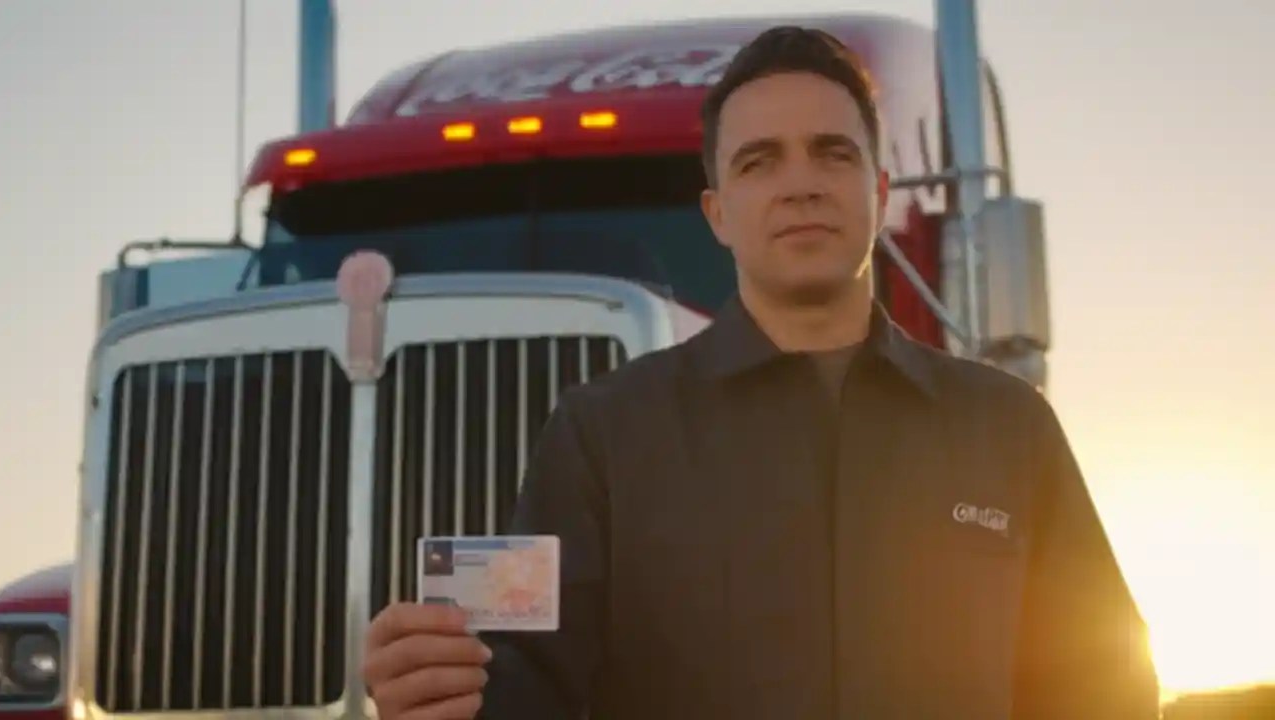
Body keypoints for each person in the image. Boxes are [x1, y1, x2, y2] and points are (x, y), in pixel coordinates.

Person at [362, 26, 1161, 719]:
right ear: (717, 213)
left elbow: (1104, 686)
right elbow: (526, 688)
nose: (801, 183)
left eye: (832, 153)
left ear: (879, 194)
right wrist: (437, 696)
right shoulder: (601, 432)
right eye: (759, 162)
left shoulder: (1009, 425)